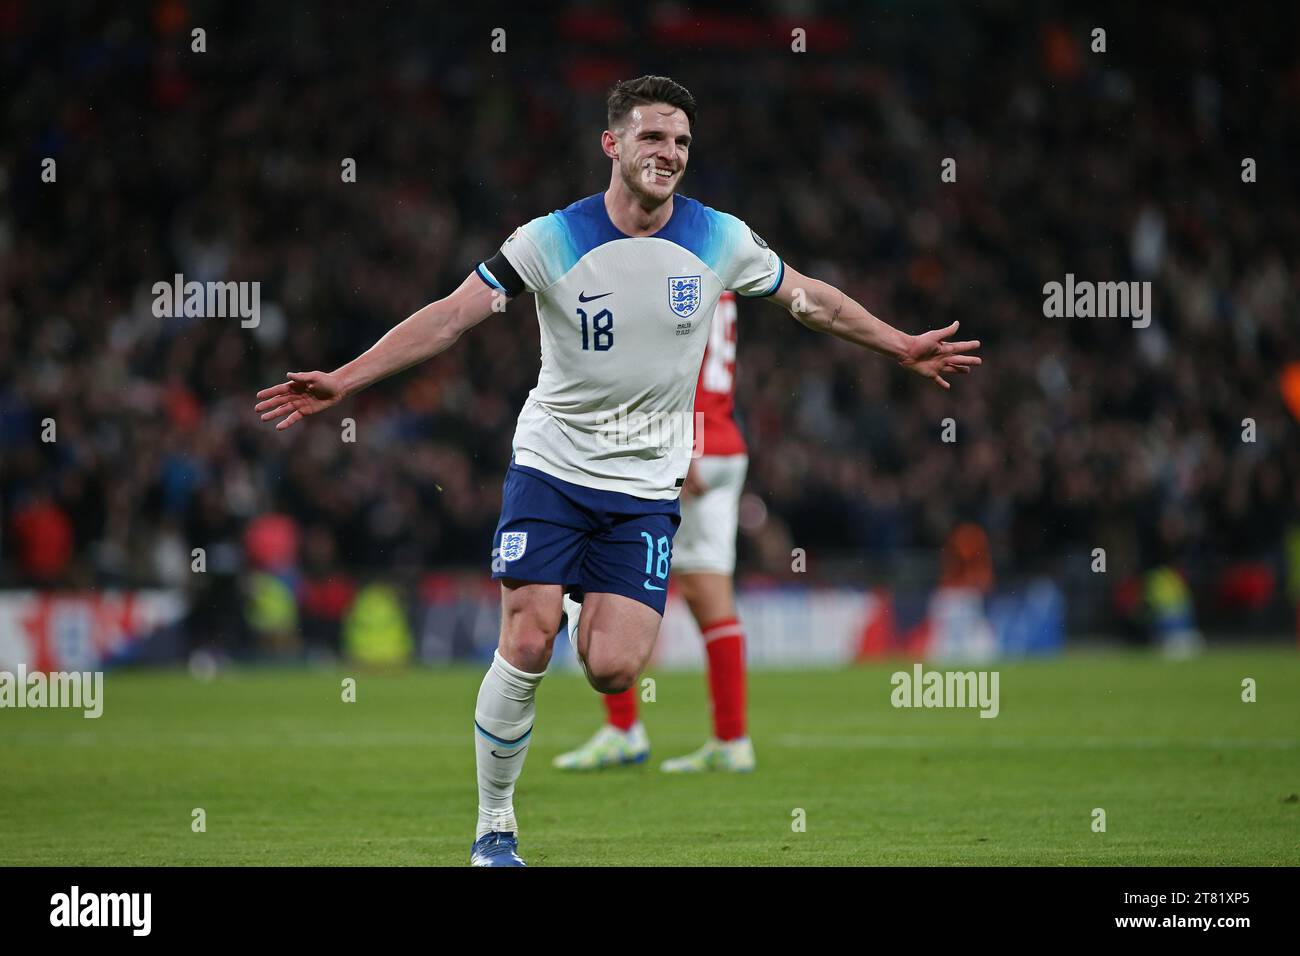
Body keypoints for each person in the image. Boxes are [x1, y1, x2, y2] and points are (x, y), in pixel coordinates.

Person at [254, 75, 981, 867]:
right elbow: (452, 315)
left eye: (681, 143)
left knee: (612, 667)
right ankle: (494, 828)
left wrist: (901, 343)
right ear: (613, 144)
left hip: (643, 489)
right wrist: (346, 379)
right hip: (553, 467)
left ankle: (576, 601)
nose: (668, 153)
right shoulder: (551, 238)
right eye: (652, 137)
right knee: (526, 641)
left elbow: (814, 301)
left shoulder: (719, 238)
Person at [552, 291, 756, 773]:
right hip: (724, 441)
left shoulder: (676, 274)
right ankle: (731, 740)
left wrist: (683, 446)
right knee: (711, 597)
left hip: (683, 442)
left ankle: (623, 730)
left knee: (600, 569)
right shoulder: (718, 271)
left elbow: (660, 363)